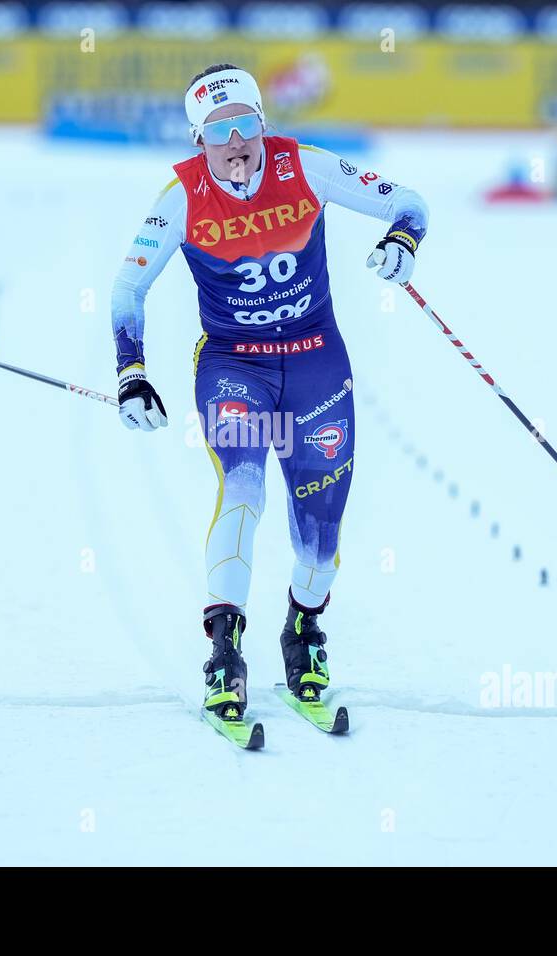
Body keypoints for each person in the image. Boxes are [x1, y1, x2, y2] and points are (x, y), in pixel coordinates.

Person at [111, 64, 429, 723]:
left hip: (315, 361)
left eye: (245, 124)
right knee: (246, 489)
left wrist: (403, 240)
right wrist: (131, 372)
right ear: (199, 140)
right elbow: (127, 289)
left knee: (320, 528)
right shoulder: (182, 195)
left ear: (264, 122)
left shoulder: (304, 166)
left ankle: (304, 630)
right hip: (234, 366)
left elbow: (410, 201)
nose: (236, 142)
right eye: (218, 131)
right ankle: (224, 652)